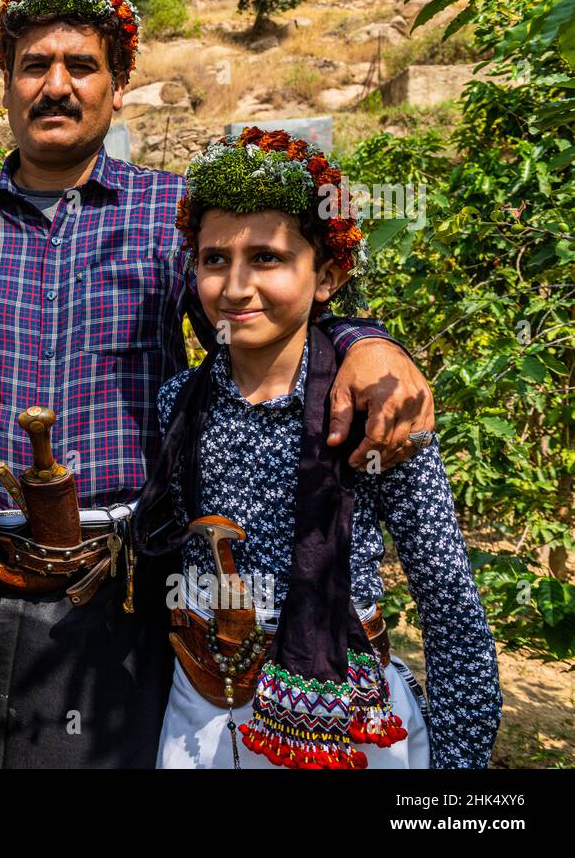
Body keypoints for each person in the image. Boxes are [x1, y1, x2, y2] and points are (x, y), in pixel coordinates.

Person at [0, 0, 439, 767]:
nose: (56, 85)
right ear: (6, 83)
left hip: (119, 592)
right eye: (34, 66)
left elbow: (266, 320)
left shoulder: (172, 215)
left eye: (81, 66)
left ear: (117, 84)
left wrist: (366, 341)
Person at [141, 128, 500, 768]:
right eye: (215, 258)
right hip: (201, 718)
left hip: (346, 719)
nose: (236, 286)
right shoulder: (180, 403)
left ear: (327, 274)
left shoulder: (374, 412)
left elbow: (447, 600)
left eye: (269, 258)